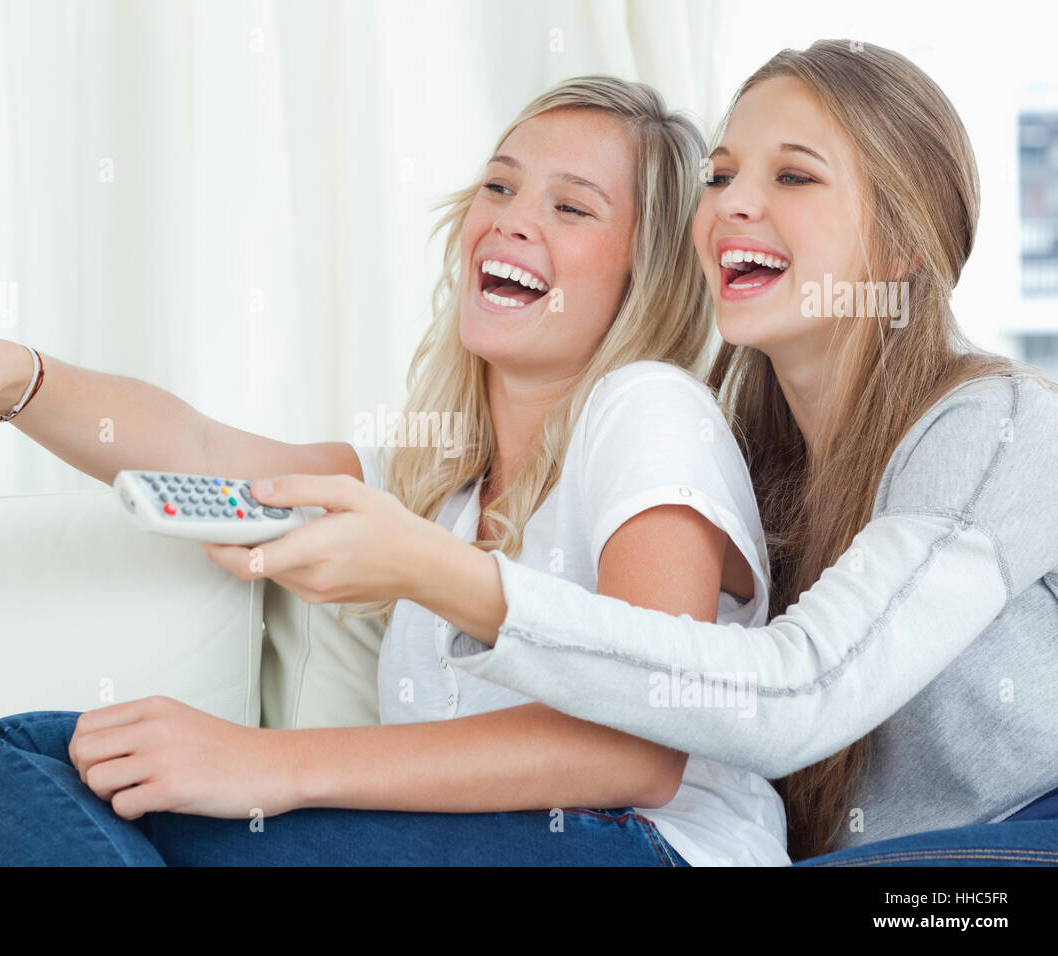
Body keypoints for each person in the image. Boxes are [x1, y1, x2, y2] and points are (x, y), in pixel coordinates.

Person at [0, 75, 790, 866]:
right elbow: (202, 455)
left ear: (643, 269)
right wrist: (10, 374)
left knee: (21, 772)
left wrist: (268, 765)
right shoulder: (434, 480)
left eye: (570, 206)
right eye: (498, 183)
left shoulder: (648, 409)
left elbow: (637, 746)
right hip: (457, 837)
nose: (512, 218)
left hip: (642, 847)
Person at [222, 40, 1058, 866]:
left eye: (793, 176)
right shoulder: (757, 462)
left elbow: (798, 695)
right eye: (722, 175)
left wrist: (440, 577)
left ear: (906, 244)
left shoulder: (997, 425)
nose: (732, 204)